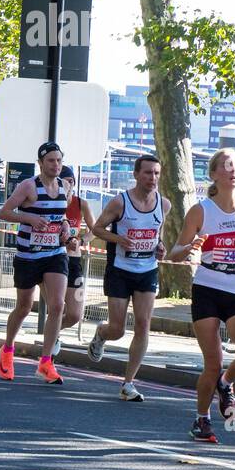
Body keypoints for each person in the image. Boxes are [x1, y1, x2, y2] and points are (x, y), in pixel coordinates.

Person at [168, 147, 235, 443]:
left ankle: (225, 384)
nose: (233, 170)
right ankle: (202, 419)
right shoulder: (201, 210)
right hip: (208, 289)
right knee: (213, 361)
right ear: (214, 174)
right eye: (226, 165)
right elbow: (174, 253)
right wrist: (190, 247)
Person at [87, 154, 169, 401]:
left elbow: (158, 233)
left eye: (156, 173)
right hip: (121, 270)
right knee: (118, 328)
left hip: (147, 270)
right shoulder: (120, 202)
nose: (152, 178)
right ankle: (101, 334)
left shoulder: (163, 204)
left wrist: (160, 246)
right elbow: (97, 228)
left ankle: (128, 383)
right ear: (136, 175)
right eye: (147, 173)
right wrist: (119, 239)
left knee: (144, 324)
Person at [0, 141, 71, 385]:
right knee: (24, 307)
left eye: (59, 160)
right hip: (28, 256)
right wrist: (28, 217)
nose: (56, 165)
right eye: (51, 160)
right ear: (40, 163)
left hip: (54, 253)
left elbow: (61, 217)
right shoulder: (29, 186)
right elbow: (4, 212)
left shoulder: (64, 186)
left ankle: (46, 362)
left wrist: (66, 229)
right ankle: (7, 350)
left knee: (57, 305)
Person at [57, 165, 97, 355]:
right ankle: (51, 341)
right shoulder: (50, 201)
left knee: (74, 315)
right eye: (65, 181)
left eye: (72, 182)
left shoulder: (81, 204)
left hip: (74, 261)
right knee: (57, 307)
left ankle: (53, 332)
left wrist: (81, 241)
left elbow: (94, 230)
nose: (69, 186)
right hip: (53, 260)